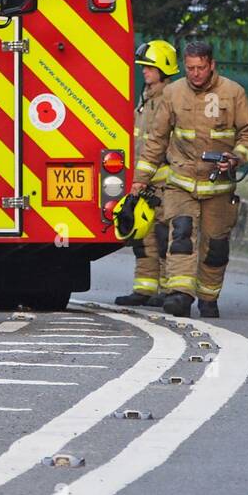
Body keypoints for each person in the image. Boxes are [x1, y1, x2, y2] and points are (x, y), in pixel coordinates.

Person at [130, 40, 248, 318]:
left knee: (215, 246)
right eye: (190, 68)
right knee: (180, 236)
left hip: (219, 185)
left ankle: (208, 298)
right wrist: (141, 178)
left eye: (201, 68)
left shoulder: (233, 93)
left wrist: (236, 157)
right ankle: (179, 295)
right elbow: (157, 139)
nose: (195, 74)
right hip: (181, 181)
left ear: (211, 65)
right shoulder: (173, 94)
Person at [114, 39, 178, 307]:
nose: (144, 72)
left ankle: (166, 288)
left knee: (164, 237)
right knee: (143, 236)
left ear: (163, 69)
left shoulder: (168, 99)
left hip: (163, 182)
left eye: (149, 67)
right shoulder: (146, 98)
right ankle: (145, 288)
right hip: (144, 181)